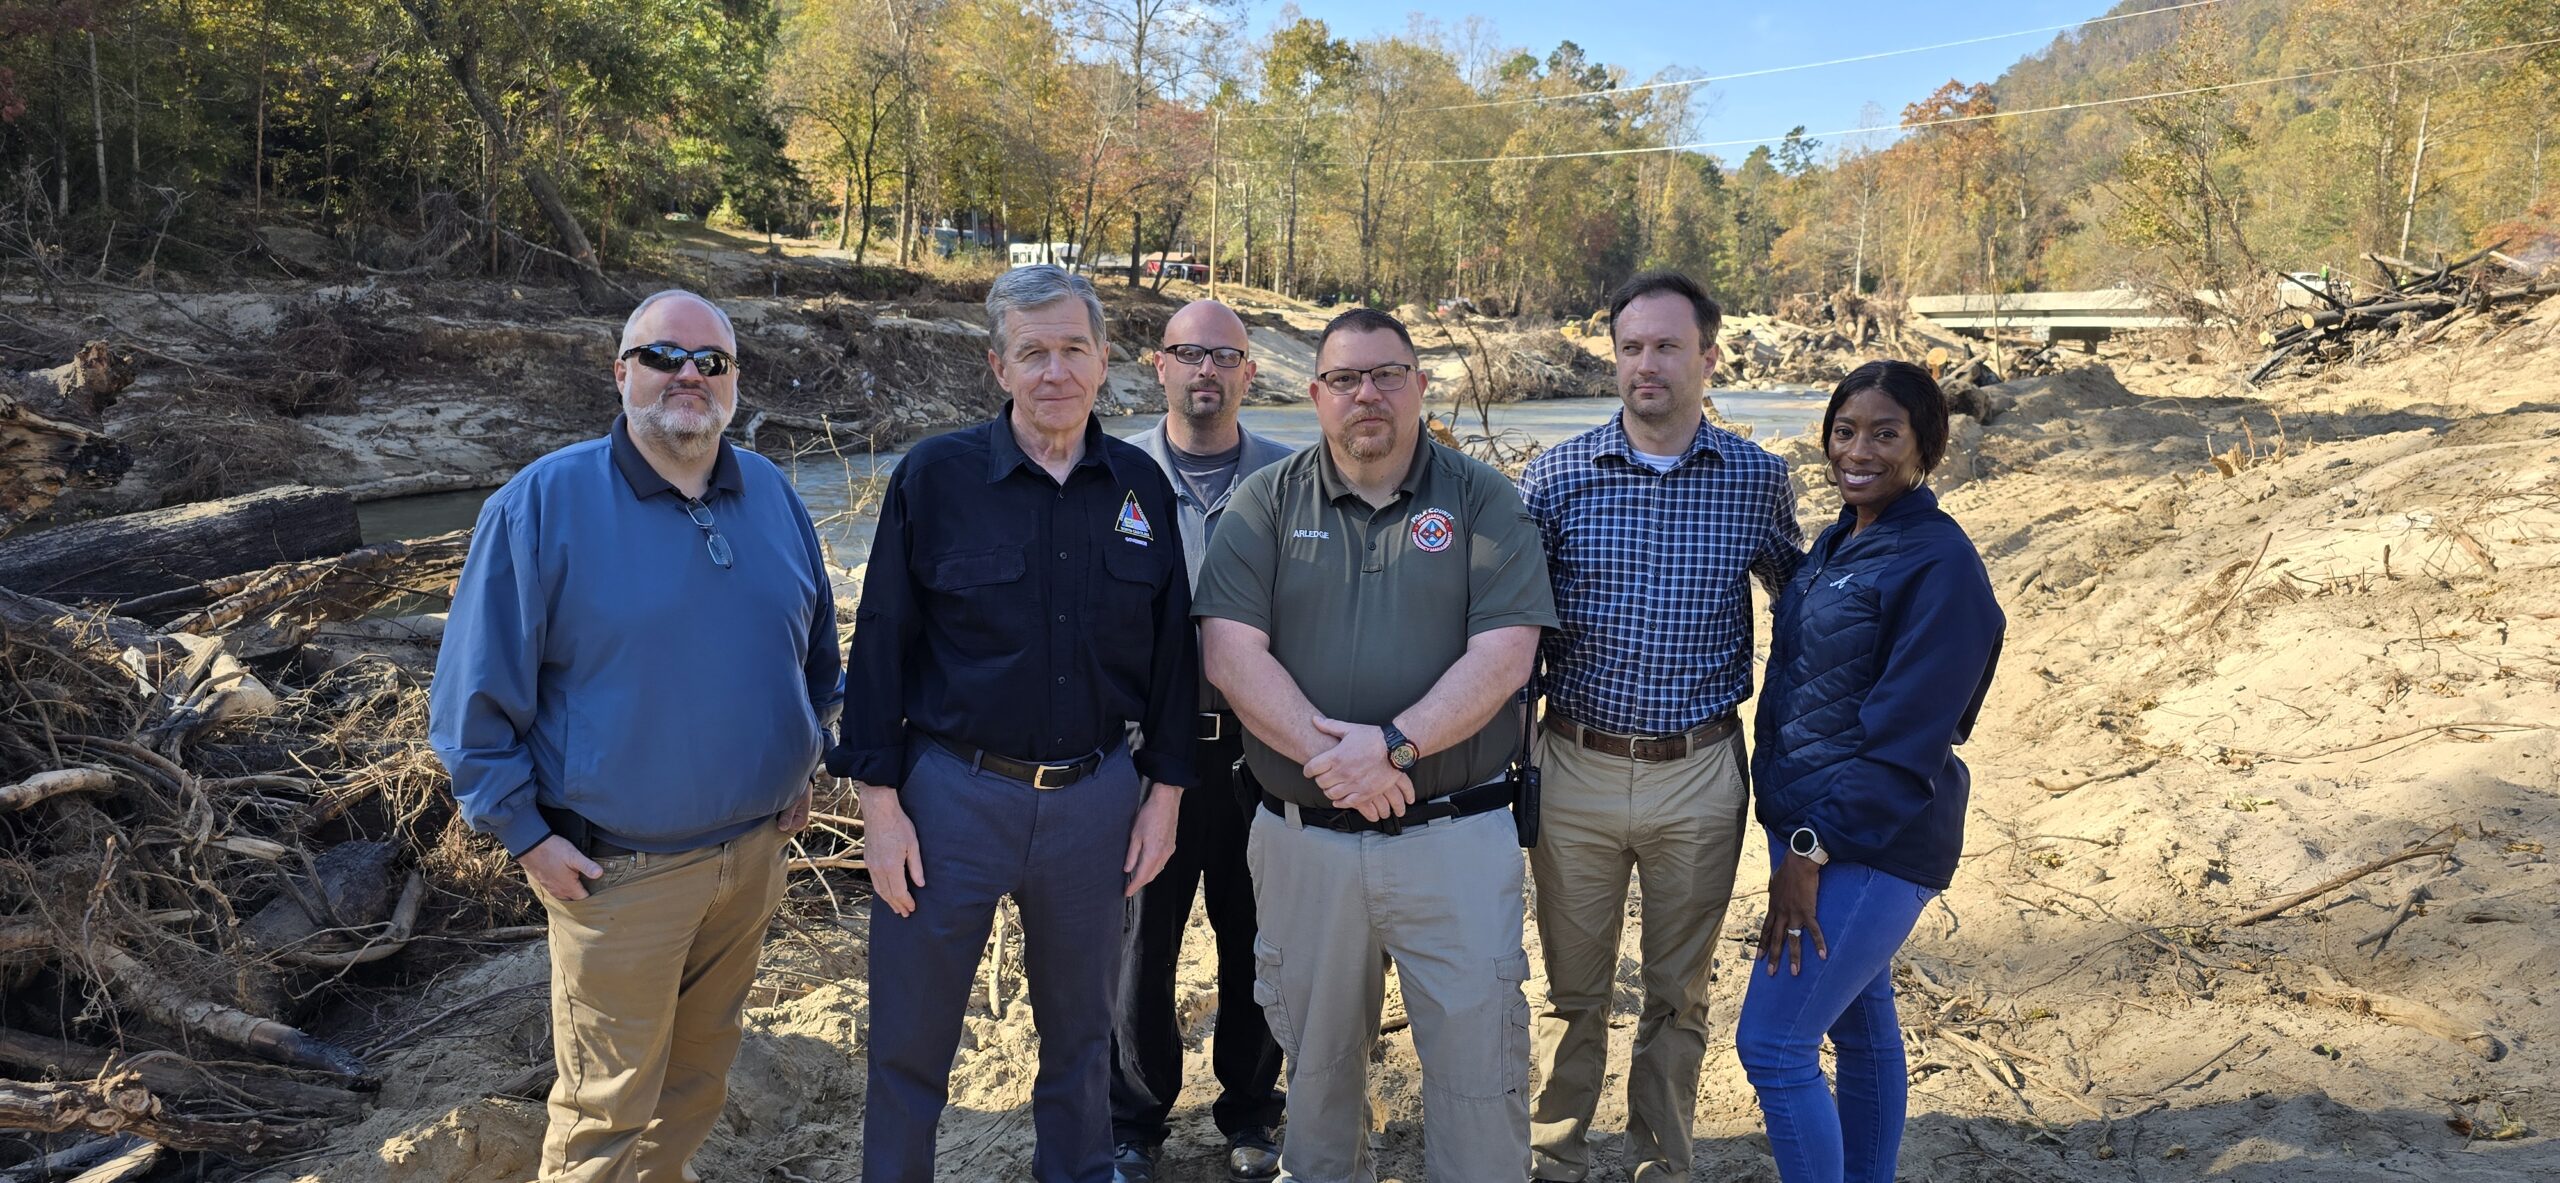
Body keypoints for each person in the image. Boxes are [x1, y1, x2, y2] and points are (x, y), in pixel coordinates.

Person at [429, 289, 842, 1182]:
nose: (688, 375)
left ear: (734, 383)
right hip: (617, 877)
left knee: (695, 1084)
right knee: (604, 1113)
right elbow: (469, 701)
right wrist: (526, 835)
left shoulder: (770, 491)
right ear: (621, 372)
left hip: (753, 860)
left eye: (712, 361)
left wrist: (804, 755)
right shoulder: (541, 504)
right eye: (663, 355)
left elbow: (814, 651)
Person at [832, 265, 1199, 1183]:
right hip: (951, 798)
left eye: (1073, 349)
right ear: (997, 367)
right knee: (911, 1040)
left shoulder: (1142, 489)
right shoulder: (935, 477)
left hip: (1096, 801)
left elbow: (1172, 662)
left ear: (1106, 360)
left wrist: (1164, 798)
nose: (1055, 371)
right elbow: (878, 645)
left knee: (1081, 1037)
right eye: (1032, 352)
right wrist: (881, 809)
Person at [1194, 307, 1559, 1183]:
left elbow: (1508, 652)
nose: (1368, 395)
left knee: (1480, 1080)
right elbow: (1230, 654)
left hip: (1456, 839)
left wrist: (1390, 747)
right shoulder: (1265, 501)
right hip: (1304, 843)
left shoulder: (1482, 499)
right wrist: (1343, 764)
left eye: (1388, 375)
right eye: (1347, 378)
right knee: (1316, 1086)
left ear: (1420, 388)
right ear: (1315, 394)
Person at [1517, 272, 1804, 1183]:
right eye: (1633, 346)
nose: (1649, 364)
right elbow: (1513, 636)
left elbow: (1804, 607)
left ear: (1708, 358)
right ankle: (1554, 1153)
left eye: (1669, 346)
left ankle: (1660, 1159)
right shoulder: (1555, 477)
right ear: (1615, 355)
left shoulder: (1757, 480)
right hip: (1577, 762)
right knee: (1571, 988)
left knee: (1680, 990)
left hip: (1701, 767)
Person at [1738, 359, 2004, 1183]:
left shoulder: (1938, 563)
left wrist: (1810, 850)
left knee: (1773, 1044)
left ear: (1928, 446)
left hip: (1870, 839)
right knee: (1858, 1025)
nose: (1860, 451)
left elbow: (1908, 741)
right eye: (1846, 431)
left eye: (1886, 434)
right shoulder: (1844, 537)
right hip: (1822, 824)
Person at [1112, 301, 1294, 1183]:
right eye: (1189, 353)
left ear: (1249, 372)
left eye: (1225, 355)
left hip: (1259, 753)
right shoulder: (1113, 473)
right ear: (1160, 364)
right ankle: (1133, 1123)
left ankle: (1253, 1113)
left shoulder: (1292, 476)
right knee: (1141, 942)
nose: (1205, 371)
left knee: (1255, 937)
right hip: (1148, 754)